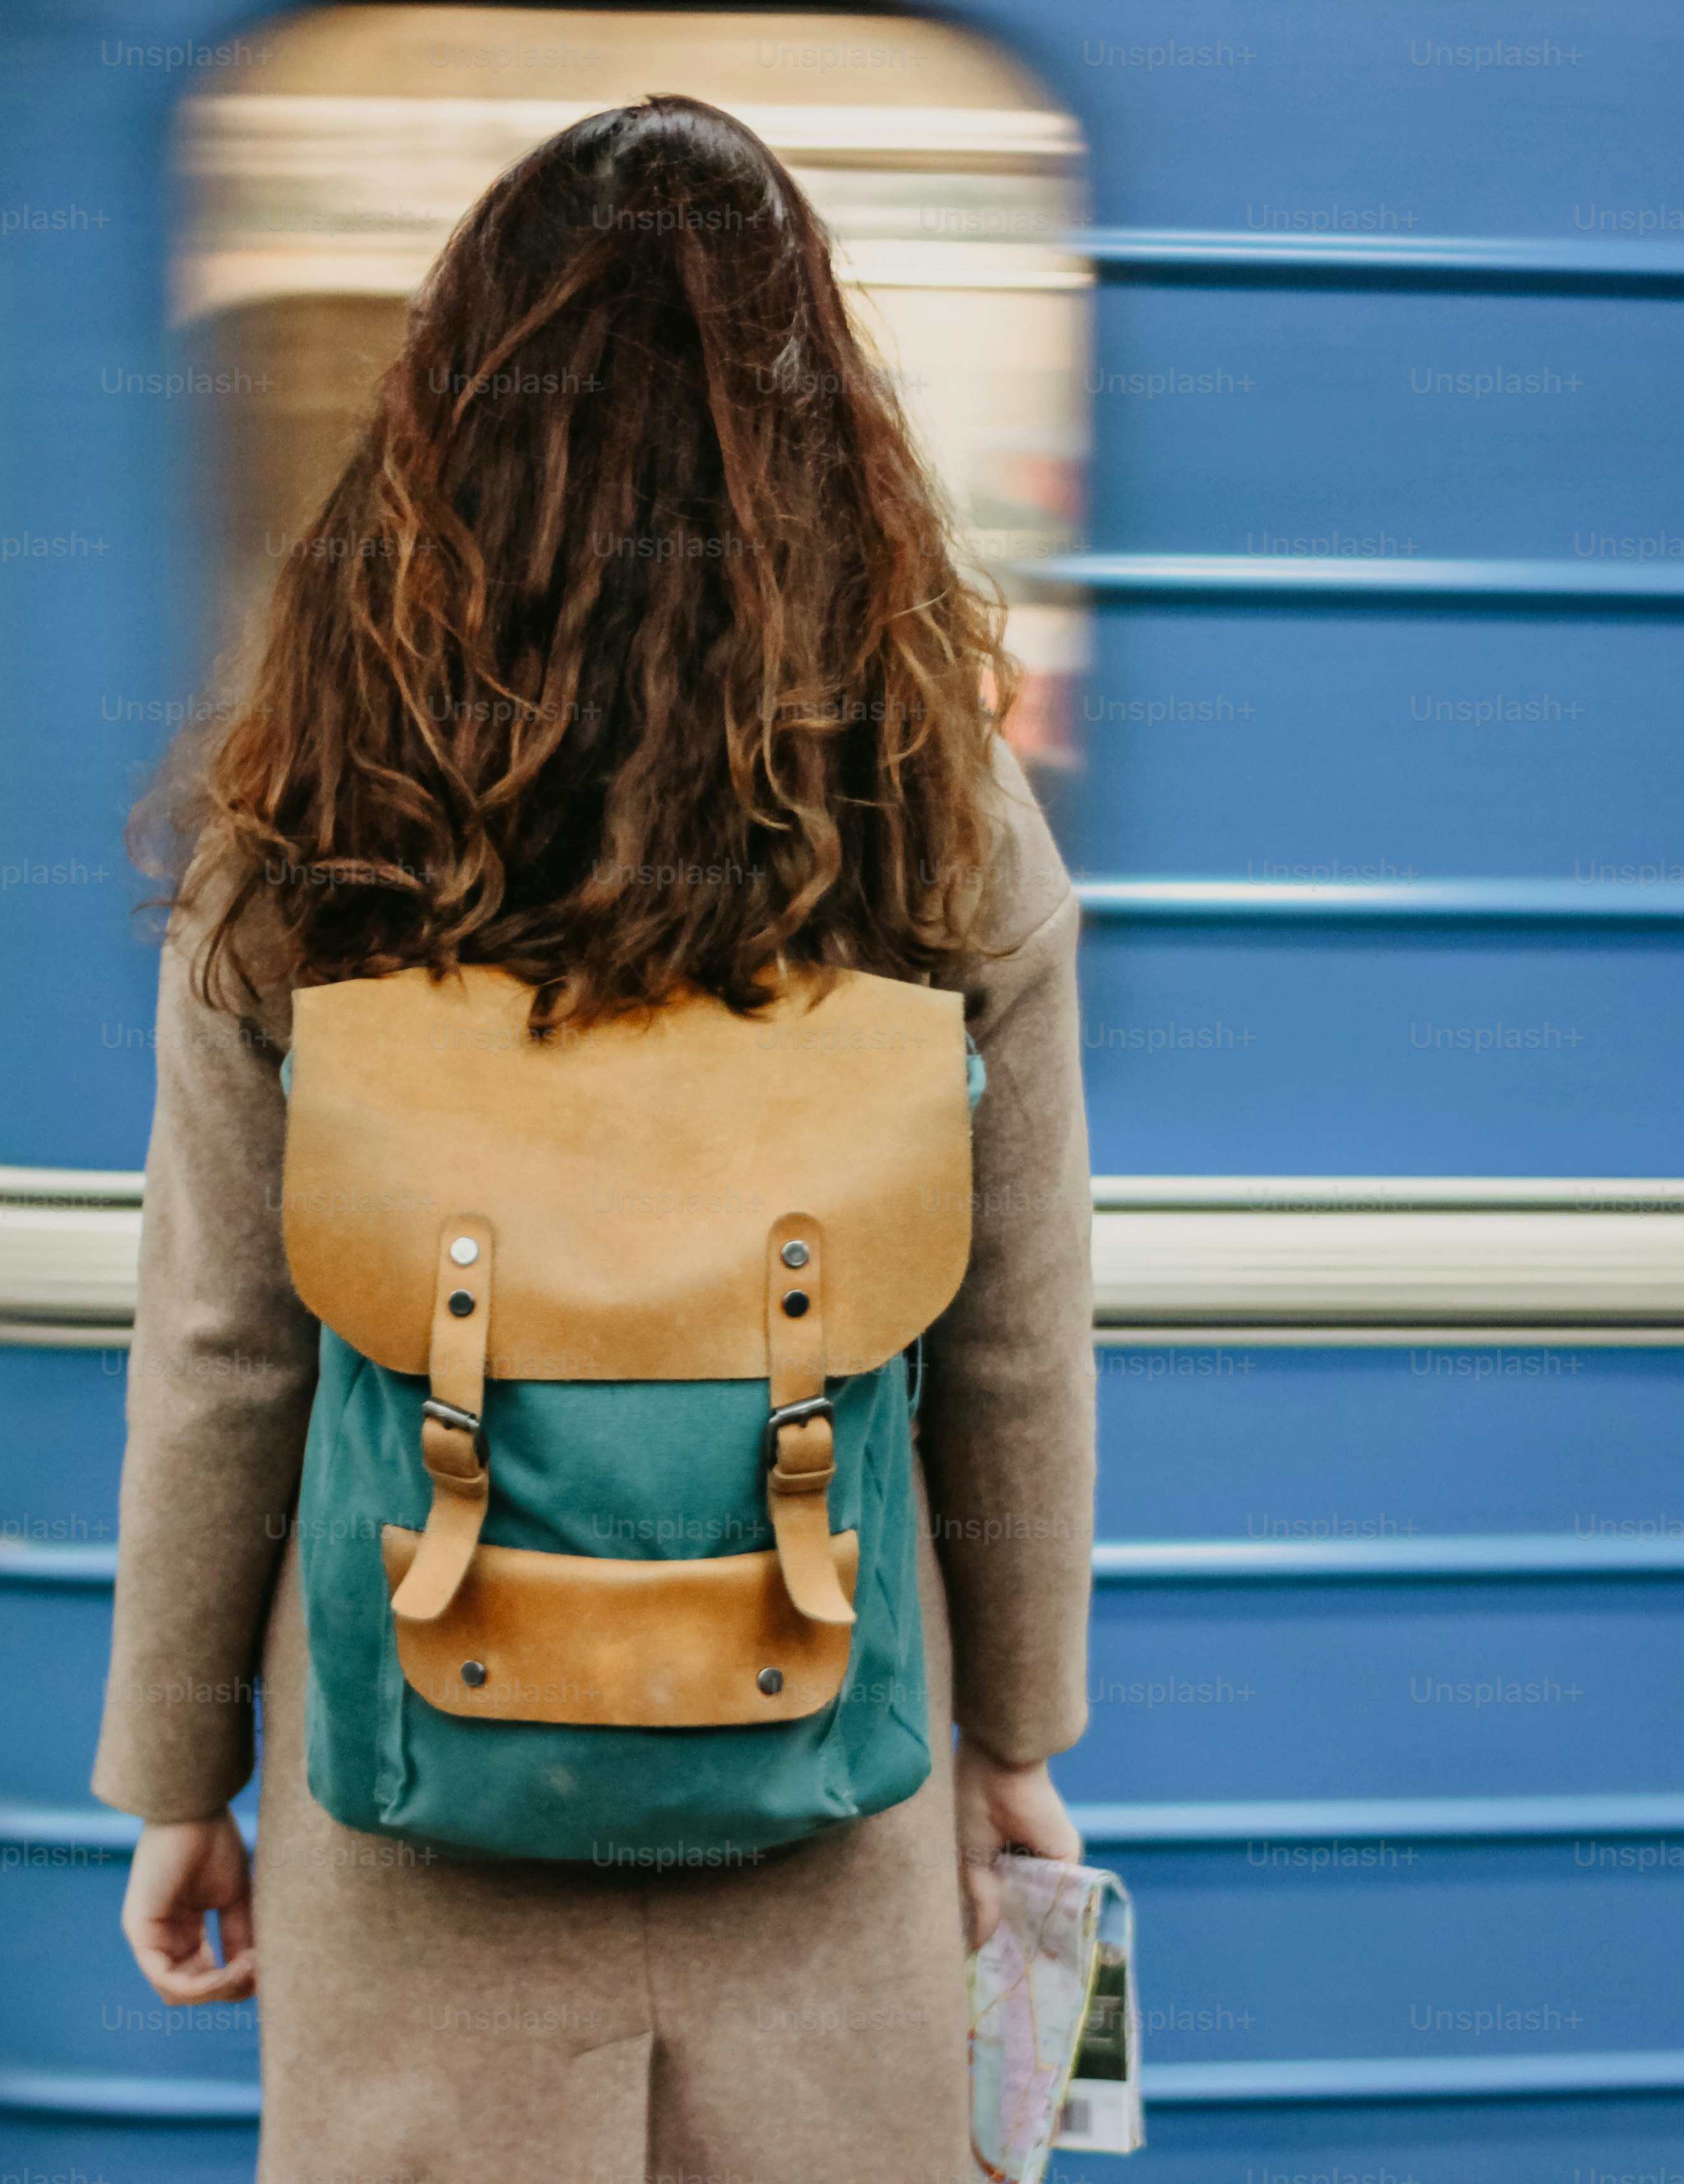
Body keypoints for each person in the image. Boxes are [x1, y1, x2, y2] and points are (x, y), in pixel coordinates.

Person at [92, 92, 1096, 2183]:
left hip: (417, 1816)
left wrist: (179, 1780)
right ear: (829, 450)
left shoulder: (305, 831)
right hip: (824, 1784)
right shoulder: (944, 819)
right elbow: (1011, 1340)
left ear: (445, 425)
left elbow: (220, 1353)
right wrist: (1014, 1744)